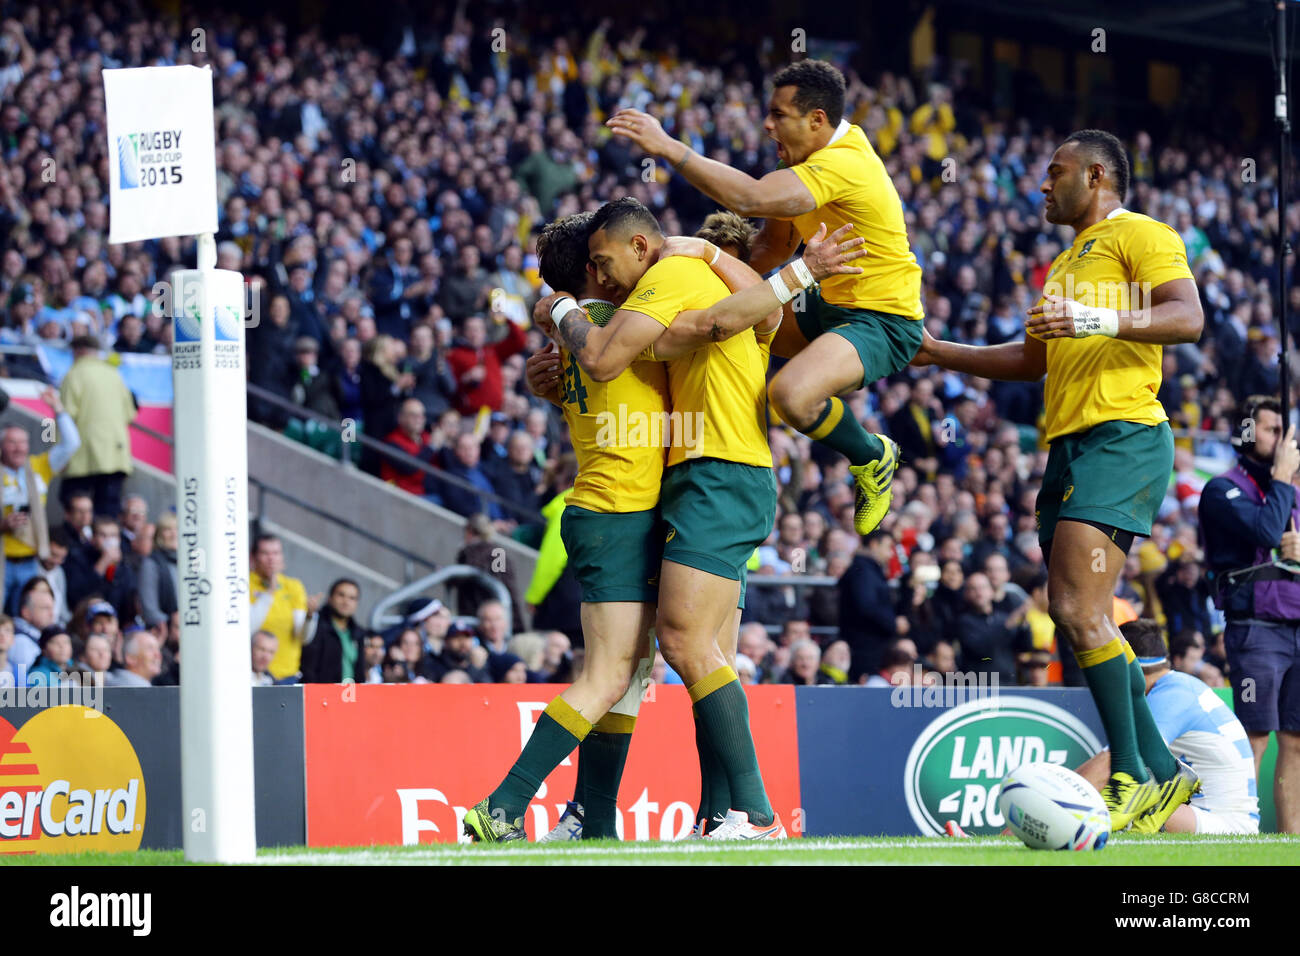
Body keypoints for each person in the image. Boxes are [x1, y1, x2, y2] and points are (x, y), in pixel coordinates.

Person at [910, 129, 1203, 831]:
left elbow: (1188, 317)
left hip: (1123, 435)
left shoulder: (1142, 234)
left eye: (1055, 172)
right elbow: (1032, 360)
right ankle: (1162, 773)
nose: (1042, 185)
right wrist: (937, 353)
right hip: (1068, 447)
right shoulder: (1064, 264)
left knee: (1077, 608)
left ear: (1097, 176)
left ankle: (1132, 774)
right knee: (1080, 612)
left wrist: (1093, 316)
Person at [608, 59, 924, 536]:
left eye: (779, 114)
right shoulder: (799, 162)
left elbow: (752, 198)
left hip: (881, 318)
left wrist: (669, 148)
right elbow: (774, 247)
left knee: (790, 395)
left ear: (817, 120)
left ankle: (872, 456)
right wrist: (699, 282)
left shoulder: (844, 164)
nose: (767, 123)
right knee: (744, 325)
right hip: (827, 300)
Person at [1199, 394, 1300, 832]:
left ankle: (1291, 839)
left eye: (1285, 431)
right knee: (1254, 737)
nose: (1282, 440)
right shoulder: (1222, 489)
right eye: (1271, 430)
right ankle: (1240, 829)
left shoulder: (1291, 490)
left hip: (1297, 627)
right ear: (1245, 433)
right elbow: (1264, 529)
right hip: (1255, 632)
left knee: (1295, 742)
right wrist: (1282, 477)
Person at [1078, 619, 1256, 834]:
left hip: (1222, 823)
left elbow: (1112, 761)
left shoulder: (1170, 696)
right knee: (1123, 791)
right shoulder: (1177, 687)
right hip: (1210, 814)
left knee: (1113, 797)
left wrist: (1057, 795)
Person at [1, 389, 80, 613]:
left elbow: (69, 444)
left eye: (23, 443)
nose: (19, 448)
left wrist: (54, 410)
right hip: (2, 560)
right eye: (12, 443)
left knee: (27, 617)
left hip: (29, 562)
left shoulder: (38, 466)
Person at [58, 334, 137, 518]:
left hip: (82, 458)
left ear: (79, 351)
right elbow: (130, 414)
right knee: (107, 513)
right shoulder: (114, 374)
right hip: (116, 455)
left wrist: (52, 446)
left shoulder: (72, 375)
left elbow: (62, 417)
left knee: (73, 507)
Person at [248, 533, 322, 681]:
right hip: (252, 674)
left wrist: (310, 616)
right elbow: (248, 627)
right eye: (265, 553)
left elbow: (303, 637)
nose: (271, 558)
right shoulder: (242, 583)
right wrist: (269, 592)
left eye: (276, 553)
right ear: (253, 557)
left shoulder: (293, 586)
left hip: (287, 675)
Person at [299, 578, 366, 684]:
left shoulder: (359, 633)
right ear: (330, 597)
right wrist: (309, 616)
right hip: (320, 695)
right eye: (341, 595)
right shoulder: (316, 623)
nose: (346, 602)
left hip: (349, 696)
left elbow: (359, 672)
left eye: (352, 598)